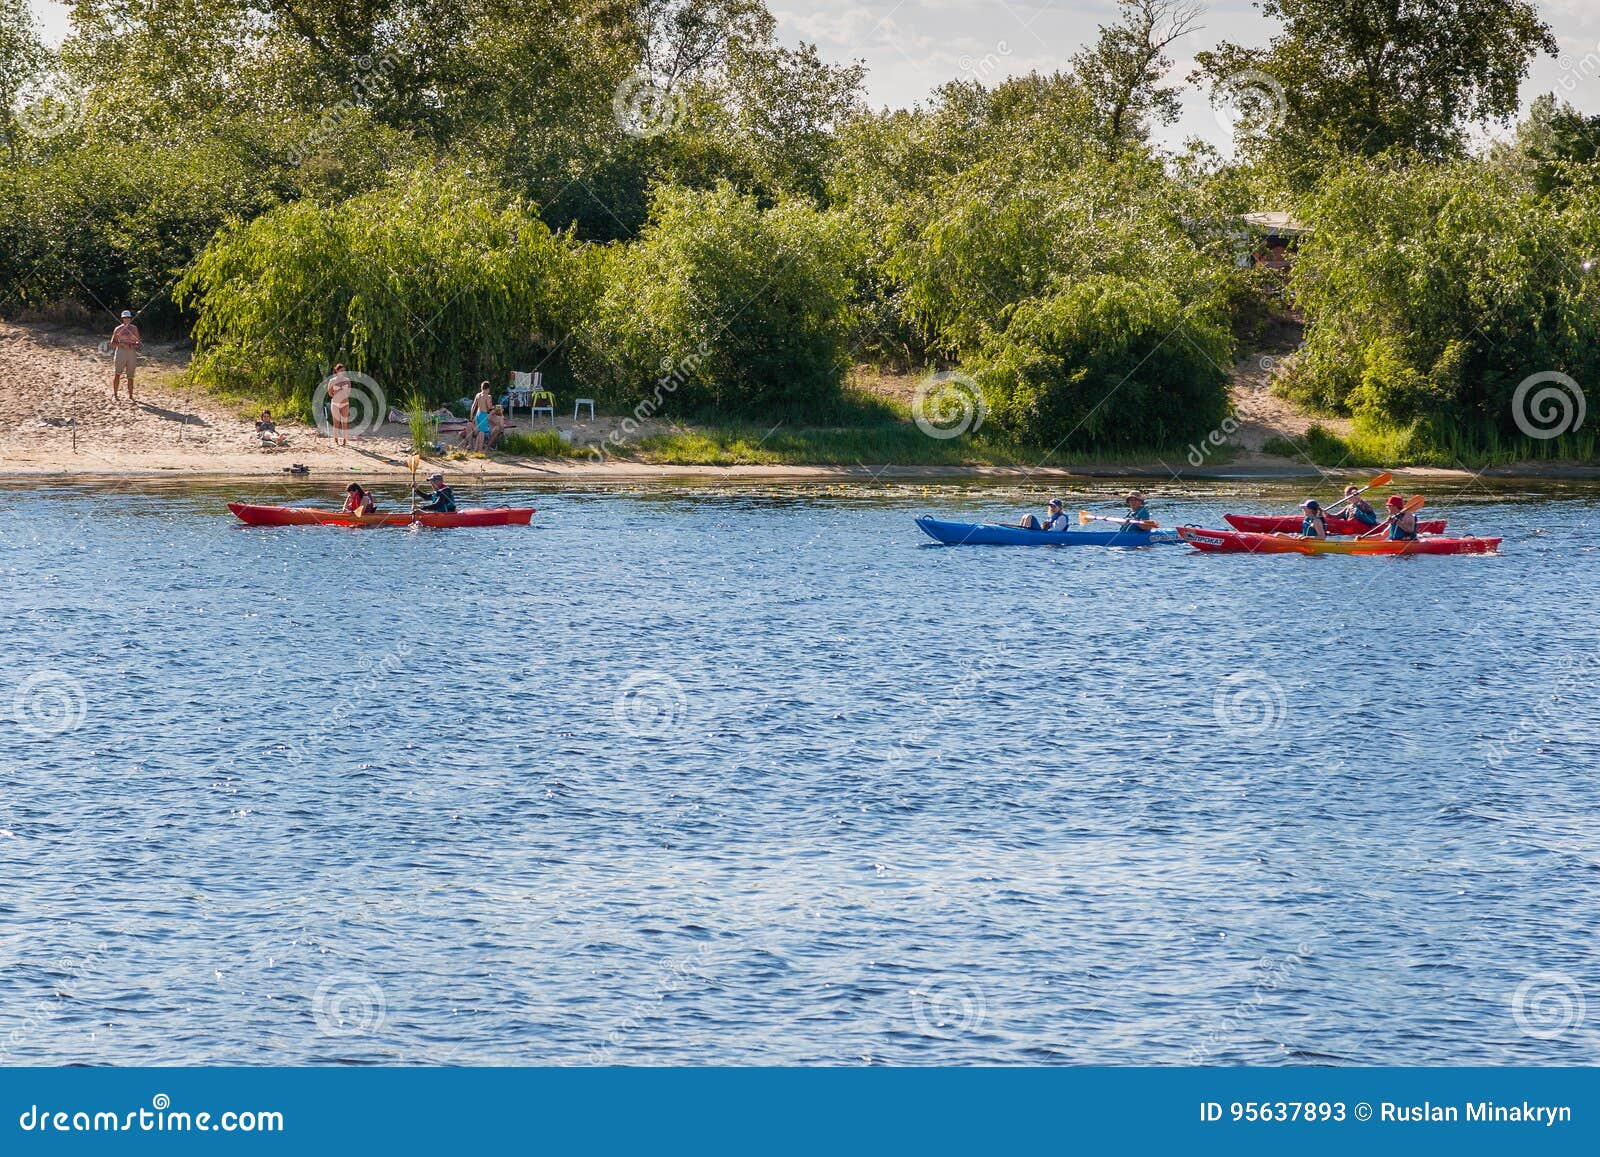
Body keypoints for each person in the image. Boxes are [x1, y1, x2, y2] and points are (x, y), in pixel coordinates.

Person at [110, 310, 141, 402]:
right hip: (120, 352)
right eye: (124, 318)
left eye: (128, 317)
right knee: (117, 374)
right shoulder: (118, 329)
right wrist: (121, 345)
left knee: (130, 376)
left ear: (130, 318)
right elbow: (112, 343)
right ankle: (115, 395)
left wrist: (132, 345)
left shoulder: (134, 329)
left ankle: (131, 396)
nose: (126, 319)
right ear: (122, 318)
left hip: (131, 352)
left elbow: (139, 343)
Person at [328, 364, 352, 447]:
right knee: (336, 423)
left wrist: (342, 392)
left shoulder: (347, 380)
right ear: (337, 371)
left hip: (345, 403)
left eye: (344, 371)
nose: (343, 372)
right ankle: (336, 439)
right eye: (341, 370)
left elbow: (348, 392)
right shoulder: (332, 380)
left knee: (344, 422)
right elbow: (330, 393)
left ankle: (345, 440)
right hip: (335, 403)